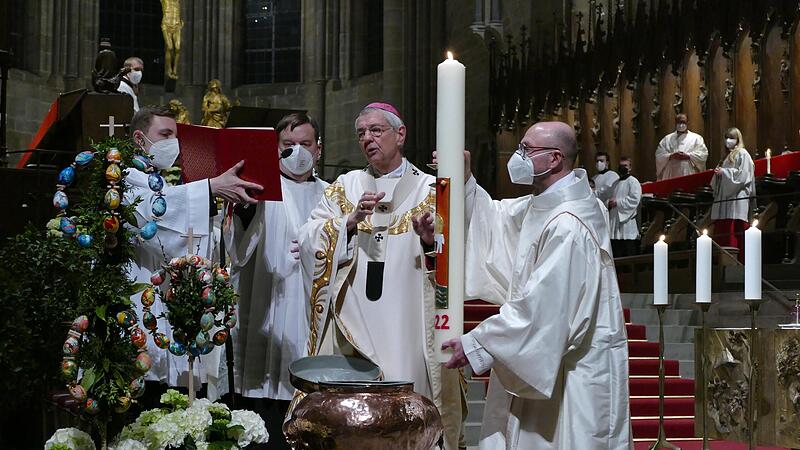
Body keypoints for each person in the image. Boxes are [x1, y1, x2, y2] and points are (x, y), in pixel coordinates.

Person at [423, 122, 631, 449]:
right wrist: (463, 180)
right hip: (547, 367)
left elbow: (545, 310)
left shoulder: (569, 225)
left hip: (566, 373)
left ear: (554, 159)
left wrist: (478, 342)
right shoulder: (547, 203)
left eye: (526, 149)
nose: (517, 156)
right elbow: (495, 220)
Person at [296, 102, 463, 449]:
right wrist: (348, 223)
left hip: (409, 325)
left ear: (400, 135)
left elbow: (460, 253)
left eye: (376, 130)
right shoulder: (345, 188)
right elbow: (309, 235)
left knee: (408, 408)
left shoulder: (432, 190)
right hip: (354, 325)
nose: (367, 139)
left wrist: (432, 242)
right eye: (361, 133)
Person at [126, 105, 262, 404]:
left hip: (165, 310)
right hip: (135, 306)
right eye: (165, 134)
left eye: (176, 135)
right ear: (139, 139)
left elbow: (189, 239)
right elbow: (153, 220)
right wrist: (211, 187)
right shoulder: (122, 177)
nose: (173, 143)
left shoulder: (161, 183)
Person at [225, 113, 328, 449]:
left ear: (319, 149)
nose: (297, 151)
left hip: (313, 324)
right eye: (288, 145)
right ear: (275, 149)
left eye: (305, 144)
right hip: (266, 314)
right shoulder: (259, 190)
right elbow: (237, 250)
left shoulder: (334, 197)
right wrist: (243, 212)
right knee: (264, 422)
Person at [711, 127, 755, 262]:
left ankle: (737, 263)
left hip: (737, 198)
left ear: (738, 139)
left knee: (735, 231)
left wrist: (724, 173)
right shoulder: (725, 157)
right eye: (726, 138)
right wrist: (718, 174)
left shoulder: (743, 154)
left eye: (731, 137)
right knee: (723, 231)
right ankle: (723, 262)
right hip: (725, 199)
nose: (728, 140)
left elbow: (743, 176)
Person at [655, 113, 708, 180]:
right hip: (671, 172)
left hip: (688, 171)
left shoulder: (696, 138)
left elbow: (703, 154)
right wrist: (671, 156)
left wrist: (688, 156)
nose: (680, 125)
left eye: (683, 122)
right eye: (678, 122)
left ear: (688, 122)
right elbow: (659, 154)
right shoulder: (667, 139)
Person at [609, 156, 642, 257]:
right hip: (615, 222)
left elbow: (634, 199)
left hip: (627, 224)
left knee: (628, 253)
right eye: (620, 166)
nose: (622, 167)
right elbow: (610, 198)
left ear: (630, 168)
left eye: (625, 166)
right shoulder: (615, 183)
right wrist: (609, 202)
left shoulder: (633, 182)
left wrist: (618, 202)